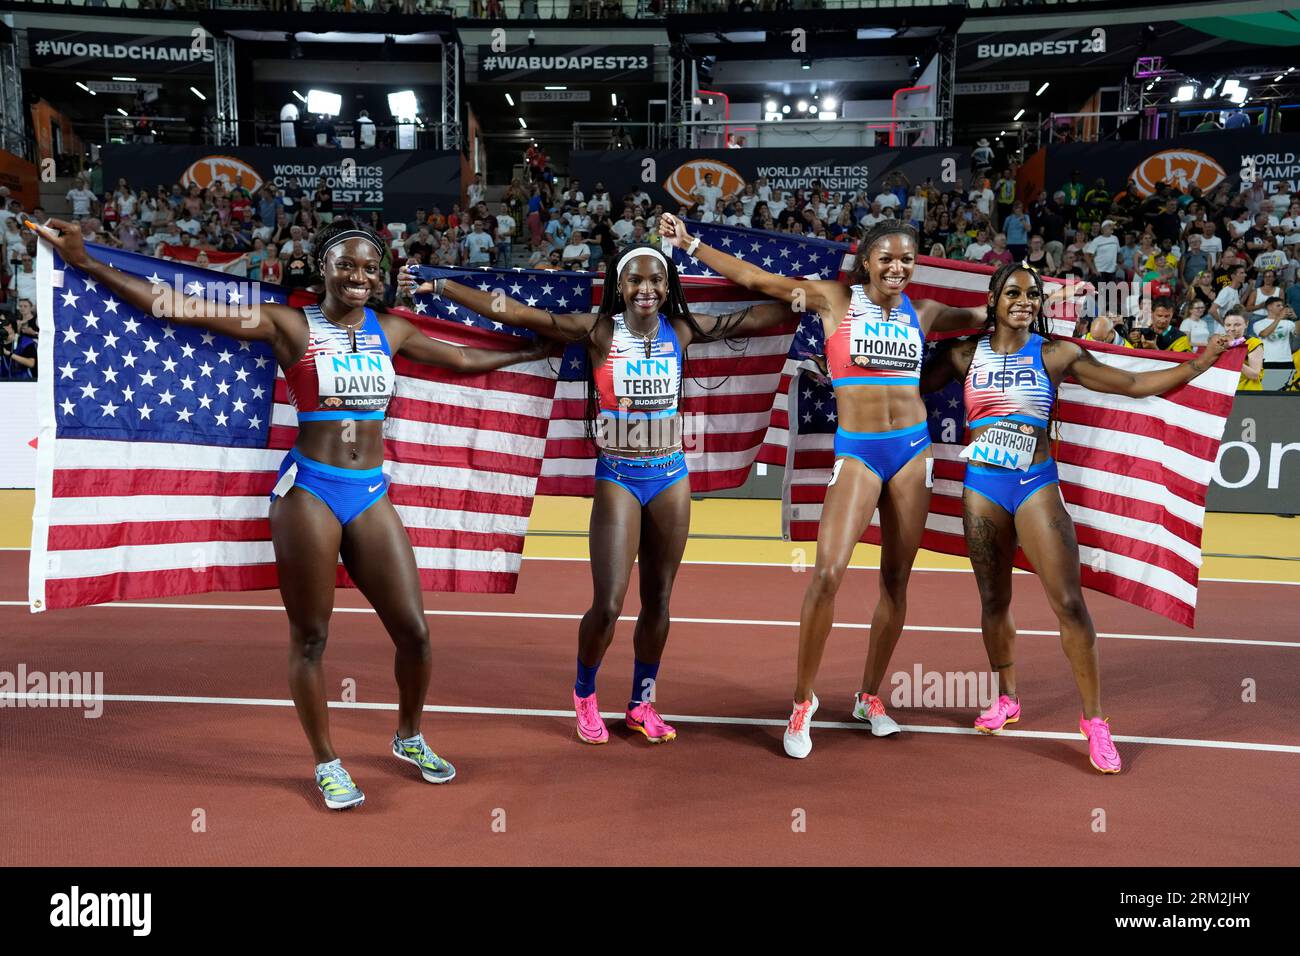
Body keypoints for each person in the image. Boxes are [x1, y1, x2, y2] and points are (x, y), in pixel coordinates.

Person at [28, 216, 548, 810]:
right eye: (346, 265)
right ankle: (327, 761)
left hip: (370, 491)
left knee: (416, 633)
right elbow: (179, 306)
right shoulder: (290, 325)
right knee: (311, 637)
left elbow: (458, 360)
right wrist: (91, 263)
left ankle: (408, 736)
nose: (359, 276)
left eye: (369, 268)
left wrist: (530, 351)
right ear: (322, 269)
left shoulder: (393, 330)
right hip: (310, 493)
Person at [658, 214, 1039, 758]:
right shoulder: (833, 300)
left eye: (907, 259)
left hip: (912, 452)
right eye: (887, 258)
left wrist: (1029, 291)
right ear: (866, 262)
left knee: (896, 582)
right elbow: (761, 282)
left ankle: (869, 697)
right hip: (858, 453)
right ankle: (802, 702)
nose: (898, 267)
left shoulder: (924, 312)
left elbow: (996, 313)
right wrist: (692, 244)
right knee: (828, 572)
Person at [400, 244, 791, 746]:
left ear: (667, 287)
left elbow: (753, 318)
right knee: (607, 604)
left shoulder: (684, 331)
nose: (646, 289)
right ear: (619, 287)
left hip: (670, 476)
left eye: (656, 281)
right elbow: (516, 311)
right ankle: (584, 694)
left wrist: (816, 302)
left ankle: (641, 703)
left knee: (659, 601)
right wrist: (443, 285)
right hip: (619, 478)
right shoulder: (598, 332)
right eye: (635, 280)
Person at [921, 262, 1229, 773]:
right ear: (993, 298)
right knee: (994, 598)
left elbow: (1129, 383)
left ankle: (1095, 722)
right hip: (981, 490)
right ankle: (1007, 697)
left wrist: (1197, 366)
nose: (1025, 301)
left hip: (1035, 485)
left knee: (1068, 601)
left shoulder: (1055, 352)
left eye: (1034, 294)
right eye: (1014, 292)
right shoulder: (961, 354)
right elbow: (899, 386)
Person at [1224, 311, 1264, 391]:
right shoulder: (1220, 342)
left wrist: (1232, 356)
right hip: (1226, 391)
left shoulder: (1253, 343)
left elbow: (1254, 375)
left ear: (1246, 324)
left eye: (1237, 325)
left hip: (1247, 392)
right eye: (1228, 325)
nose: (1232, 329)